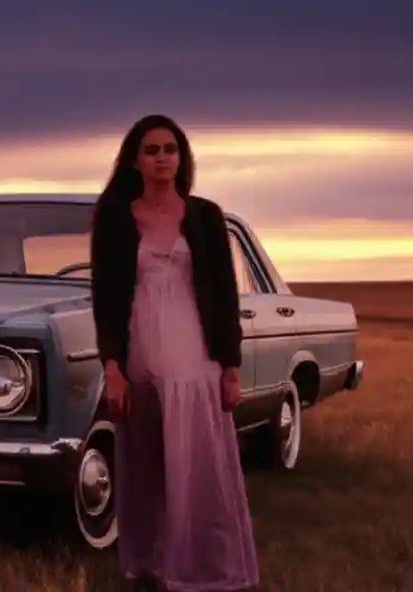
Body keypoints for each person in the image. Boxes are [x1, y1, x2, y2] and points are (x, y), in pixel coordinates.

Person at [89, 114, 260, 591]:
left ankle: (206, 565)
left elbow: (224, 295)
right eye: (151, 150)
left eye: (170, 149)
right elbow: (105, 297)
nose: (162, 158)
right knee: (146, 467)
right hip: (140, 355)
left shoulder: (205, 216)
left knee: (198, 467)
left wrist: (230, 367)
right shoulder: (115, 217)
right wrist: (113, 367)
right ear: (135, 161)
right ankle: (152, 565)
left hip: (195, 355)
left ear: (182, 158)